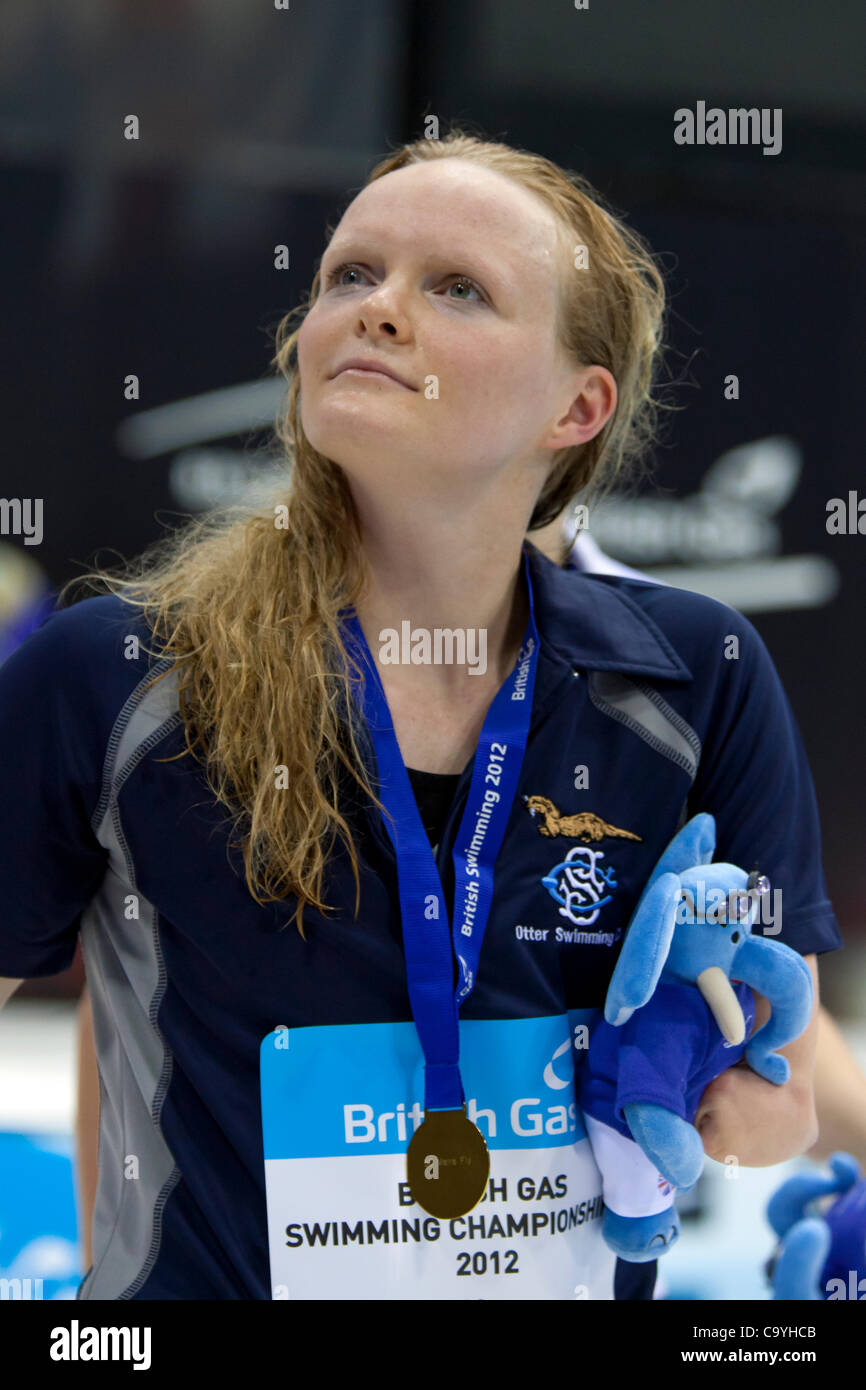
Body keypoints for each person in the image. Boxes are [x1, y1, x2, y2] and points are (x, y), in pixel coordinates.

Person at [0, 128, 841, 1300]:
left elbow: (782, 1085)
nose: (378, 310)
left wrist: (739, 1099)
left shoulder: (696, 677)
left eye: (457, 288)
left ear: (576, 405)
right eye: (351, 275)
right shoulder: (120, 675)